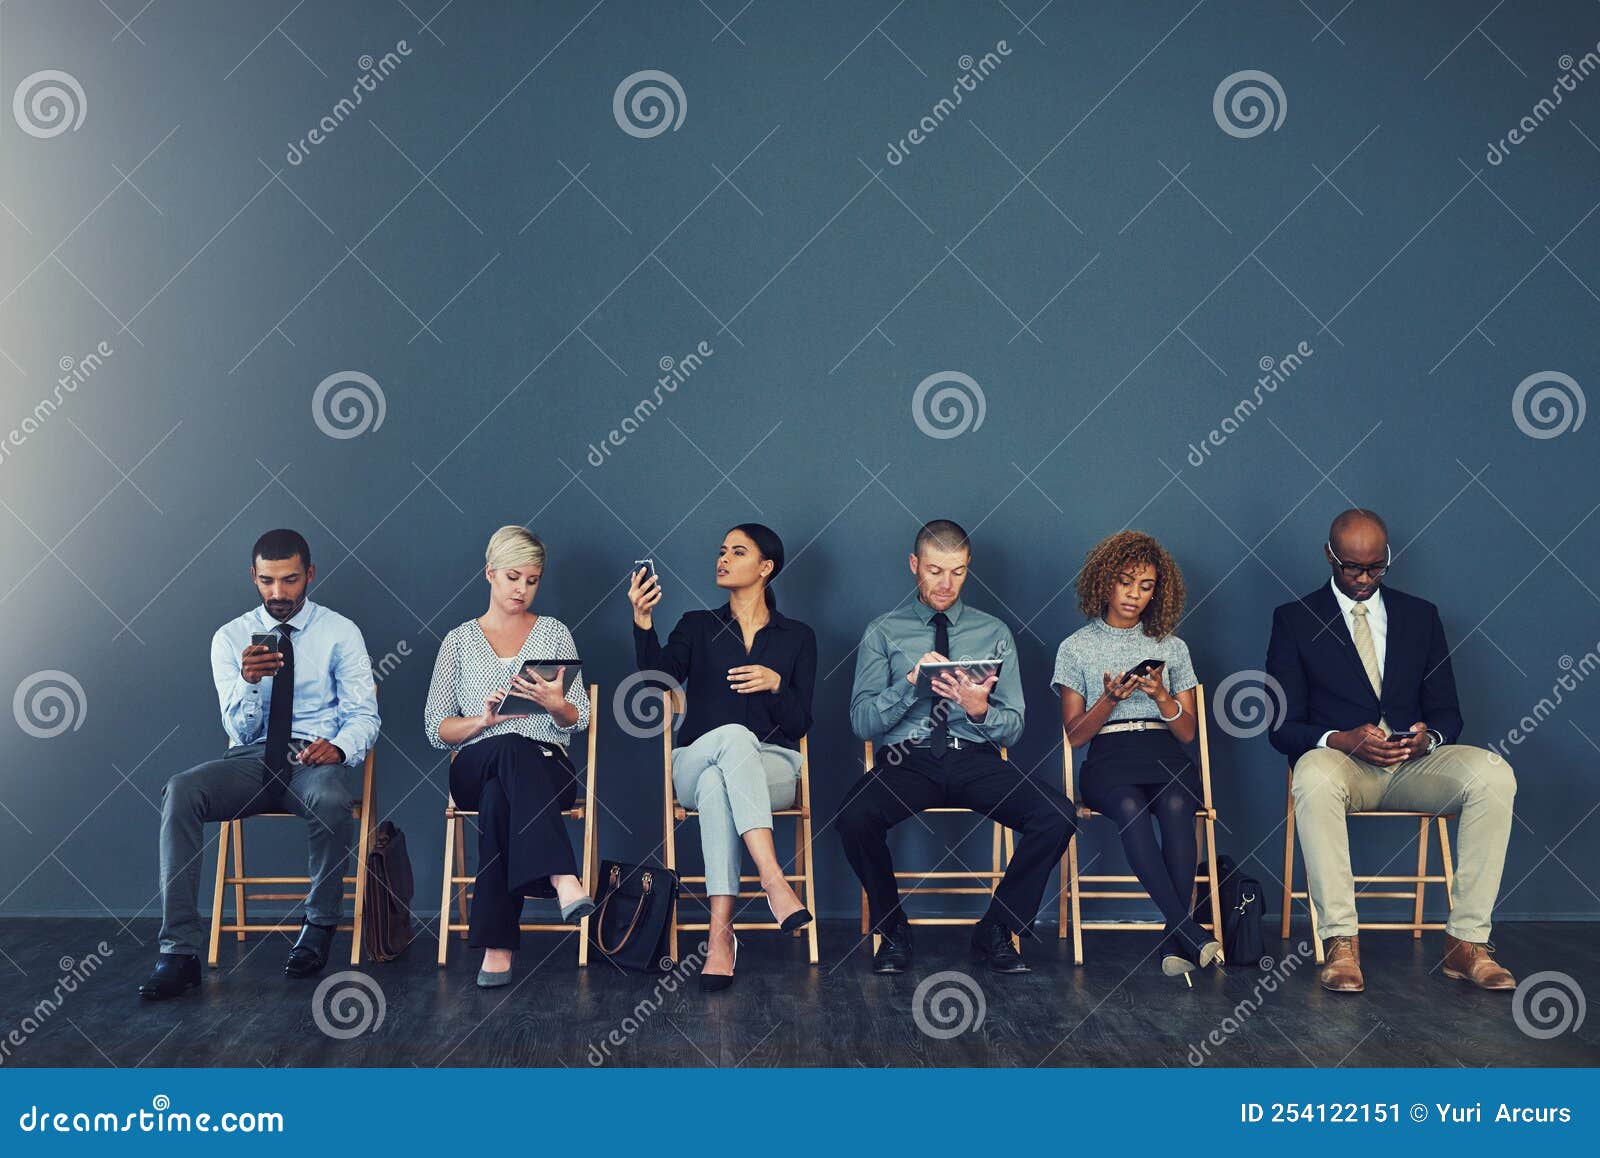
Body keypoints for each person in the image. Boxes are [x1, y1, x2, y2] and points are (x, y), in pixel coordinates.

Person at [1267, 508, 1518, 993]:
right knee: (1312, 775)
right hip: (1343, 766)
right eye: (1352, 568)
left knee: (1494, 773)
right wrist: (1338, 739)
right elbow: (1282, 727)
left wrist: (1430, 738)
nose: (1364, 579)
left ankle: (1465, 943)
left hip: (1413, 765)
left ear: (1386, 559)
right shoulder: (1294, 620)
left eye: (1375, 568)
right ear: (1330, 556)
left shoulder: (1420, 616)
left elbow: (1449, 712)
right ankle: (1341, 942)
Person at [139, 530, 381, 1001]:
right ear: (253, 576)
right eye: (267, 581)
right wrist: (249, 682)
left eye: (290, 580)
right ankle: (179, 952)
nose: (278, 594)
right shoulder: (229, 638)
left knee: (332, 797)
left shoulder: (340, 632)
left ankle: (318, 925)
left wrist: (339, 747)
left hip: (313, 756)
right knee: (180, 789)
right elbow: (242, 731)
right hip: (251, 759)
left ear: (309, 574)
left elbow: (364, 715)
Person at [838, 519, 1076, 975]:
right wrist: (910, 685)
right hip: (907, 760)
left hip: (974, 759)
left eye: (958, 572)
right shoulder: (883, 631)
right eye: (935, 570)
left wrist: (978, 708)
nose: (946, 584)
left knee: (1056, 814)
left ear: (969, 568)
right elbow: (862, 722)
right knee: (853, 817)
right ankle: (893, 929)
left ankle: (997, 927)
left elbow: (1013, 730)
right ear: (914, 565)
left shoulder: (994, 632)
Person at [629, 524, 816, 992]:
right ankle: (774, 881)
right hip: (694, 758)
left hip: (772, 765)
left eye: (737, 551)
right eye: (721, 551)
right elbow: (656, 680)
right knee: (729, 741)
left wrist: (776, 685)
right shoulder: (696, 625)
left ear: (766, 567)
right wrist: (643, 621)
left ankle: (719, 938)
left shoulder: (798, 637)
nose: (723, 559)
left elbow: (798, 725)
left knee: (718, 785)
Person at [425, 526, 594, 989]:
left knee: (503, 794)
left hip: (546, 766)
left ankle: (497, 948)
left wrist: (555, 703)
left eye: (533, 580)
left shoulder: (555, 634)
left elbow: (578, 721)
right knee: (504, 745)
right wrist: (483, 722)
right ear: (490, 574)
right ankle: (562, 876)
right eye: (513, 577)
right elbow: (436, 730)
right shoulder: (458, 641)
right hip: (474, 766)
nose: (522, 589)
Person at [1052, 531, 1220, 977]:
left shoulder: (1171, 646)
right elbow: (1075, 737)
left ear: (1156, 592)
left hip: (1162, 750)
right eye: (1126, 581)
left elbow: (1187, 732)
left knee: (1179, 802)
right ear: (1104, 581)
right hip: (1109, 755)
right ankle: (1190, 930)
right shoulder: (1076, 647)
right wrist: (1108, 699)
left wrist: (1162, 694)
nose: (1134, 594)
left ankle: (1176, 938)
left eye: (1145, 586)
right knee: (1128, 805)